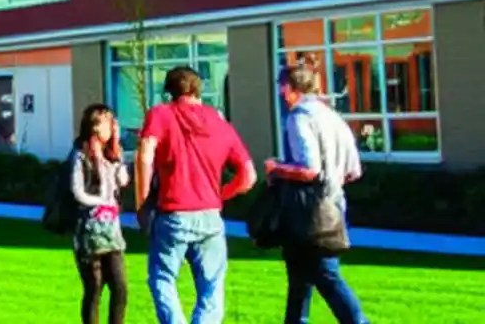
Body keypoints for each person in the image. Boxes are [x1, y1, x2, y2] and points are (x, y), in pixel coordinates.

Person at [136, 66, 256, 324]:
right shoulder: (218, 121)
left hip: (174, 213)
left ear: (169, 92)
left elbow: (146, 153)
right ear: (199, 90)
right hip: (211, 215)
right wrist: (220, 195)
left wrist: (142, 201)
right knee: (212, 288)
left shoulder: (161, 115)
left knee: (162, 278)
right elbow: (249, 176)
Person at [266, 62, 369, 324]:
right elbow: (354, 171)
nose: (280, 92)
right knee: (299, 279)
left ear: (290, 87)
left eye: (281, 86)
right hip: (334, 205)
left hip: (309, 212)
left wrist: (277, 168)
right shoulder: (333, 117)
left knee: (326, 275)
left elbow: (309, 169)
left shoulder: (299, 116)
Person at [70, 104, 129, 324]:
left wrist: (117, 154)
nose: (113, 127)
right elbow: (77, 191)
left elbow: (123, 181)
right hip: (88, 231)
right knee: (94, 288)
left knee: (120, 287)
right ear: (95, 126)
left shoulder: (112, 153)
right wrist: (102, 202)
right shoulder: (80, 154)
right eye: (108, 122)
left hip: (112, 232)